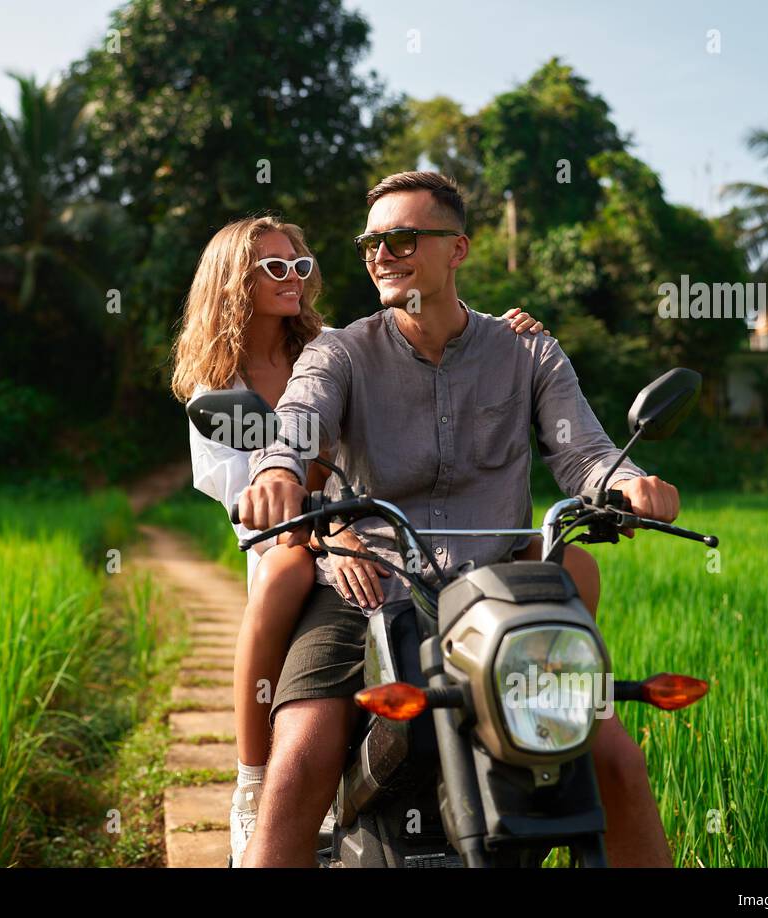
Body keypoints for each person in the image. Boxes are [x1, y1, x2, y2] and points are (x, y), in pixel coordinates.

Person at [235, 171, 681, 868]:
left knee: (615, 759)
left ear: (458, 250)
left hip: (499, 602)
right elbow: (297, 421)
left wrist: (628, 484)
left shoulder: (527, 351)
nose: (383, 253)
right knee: (301, 752)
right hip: (368, 591)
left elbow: (585, 451)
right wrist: (276, 471)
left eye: (403, 238)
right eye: (372, 243)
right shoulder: (341, 351)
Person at [170, 213, 548, 866]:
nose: (294, 277)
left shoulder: (329, 347)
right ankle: (252, 780)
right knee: (289, 569)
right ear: (234, 282)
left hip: (362, 516)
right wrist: (329, 530)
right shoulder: (218, 386)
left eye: (300, 264)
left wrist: (503, 334)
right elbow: (254, 506)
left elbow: (420, 337)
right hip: (282, 533)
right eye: (274, 267)